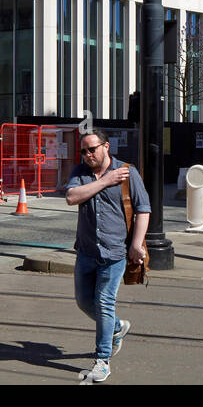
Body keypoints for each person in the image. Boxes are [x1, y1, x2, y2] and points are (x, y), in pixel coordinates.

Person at [65, 127, 150, 384]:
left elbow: (143, 208)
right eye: (84, 151)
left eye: (92, 149)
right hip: (87, 251)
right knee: (83, 301)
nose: (88, 154)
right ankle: (115, 327)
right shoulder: (80, 173)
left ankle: (102, 360)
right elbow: (71, 197)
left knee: (104, 303)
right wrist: (104, 181)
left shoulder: (128, 172)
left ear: (106, 147)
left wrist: (136, 244)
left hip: (115, 252)